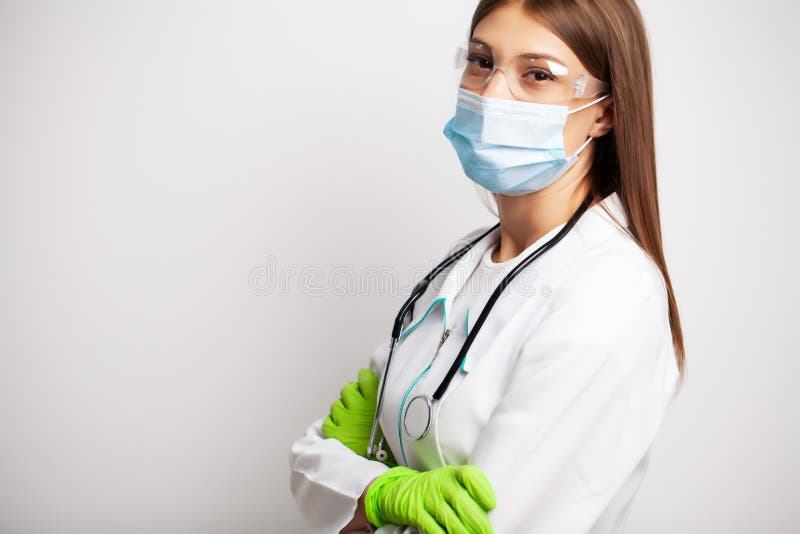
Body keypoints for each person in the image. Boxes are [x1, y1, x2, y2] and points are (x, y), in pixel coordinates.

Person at [289, 0, 686, 532]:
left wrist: (361, 493)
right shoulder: (464, 259)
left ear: (604, 111)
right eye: (481, 61)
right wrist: (378, 491)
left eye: (538, 74)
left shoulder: (610, 293)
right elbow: (307, 462)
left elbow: (488, 524)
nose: (493, 94)